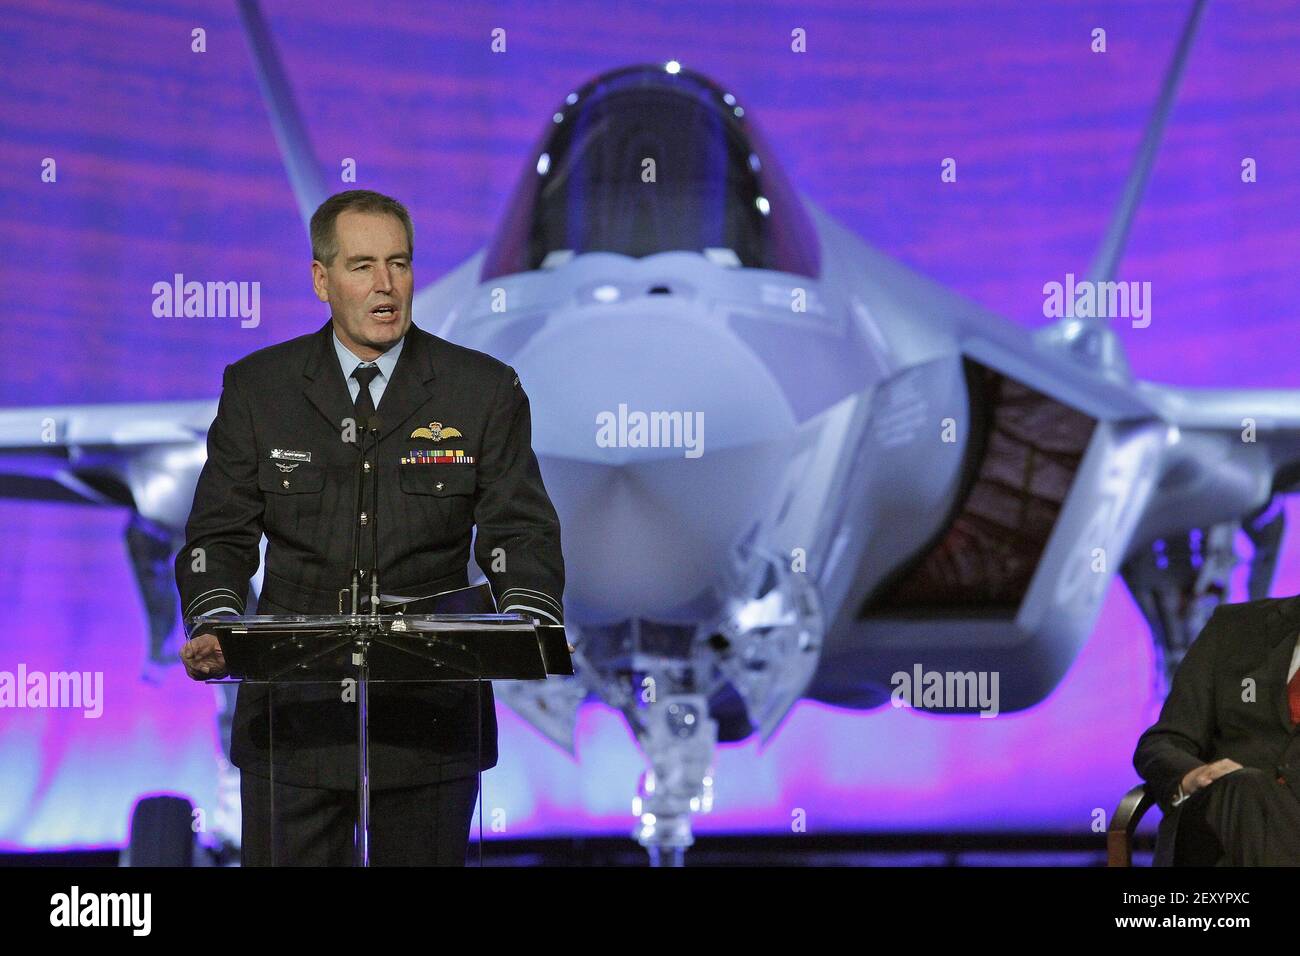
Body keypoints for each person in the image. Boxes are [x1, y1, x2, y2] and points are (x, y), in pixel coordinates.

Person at [175, 189, 565, 865]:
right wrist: (215, 621)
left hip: (429, 720)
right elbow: (220, 534)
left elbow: (519, 529)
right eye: (362, 266)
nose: (386, 286)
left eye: (400, 263)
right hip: (295, 717)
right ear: (322, 280)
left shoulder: (481, 391)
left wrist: (526, 622)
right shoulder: (259, 390)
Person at [1132, 593, 1300, 865]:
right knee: (1246, 786)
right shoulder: (1233, 627)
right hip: (1217, 837)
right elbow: (1163, 743)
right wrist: (1193, 775)